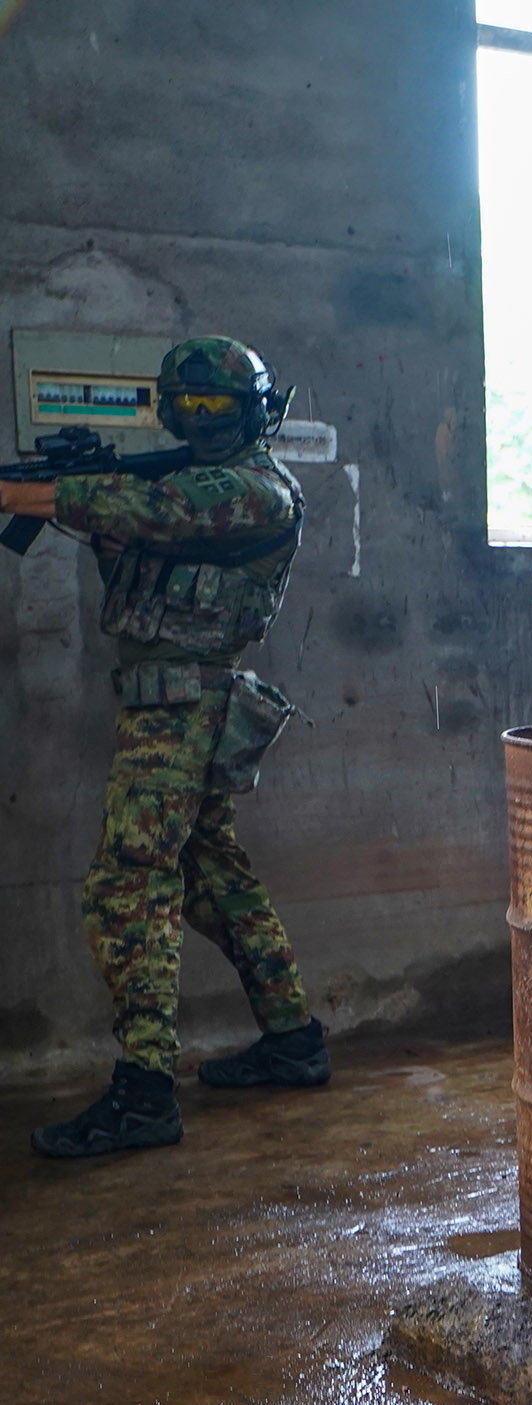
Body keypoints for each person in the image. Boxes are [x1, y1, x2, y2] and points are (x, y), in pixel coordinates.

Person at [1, 336, 328, 1159]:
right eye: (193, 406)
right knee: (209, 874)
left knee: (128, 883)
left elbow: (155, 511)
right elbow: (144, 536)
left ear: (256, 411)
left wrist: (37, 496)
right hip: (170, 706)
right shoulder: (194, 488)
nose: (205, 419)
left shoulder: (256, 490)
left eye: (219, 405)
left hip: (184, 710)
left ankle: (145, 1088)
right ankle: (293, 1037)